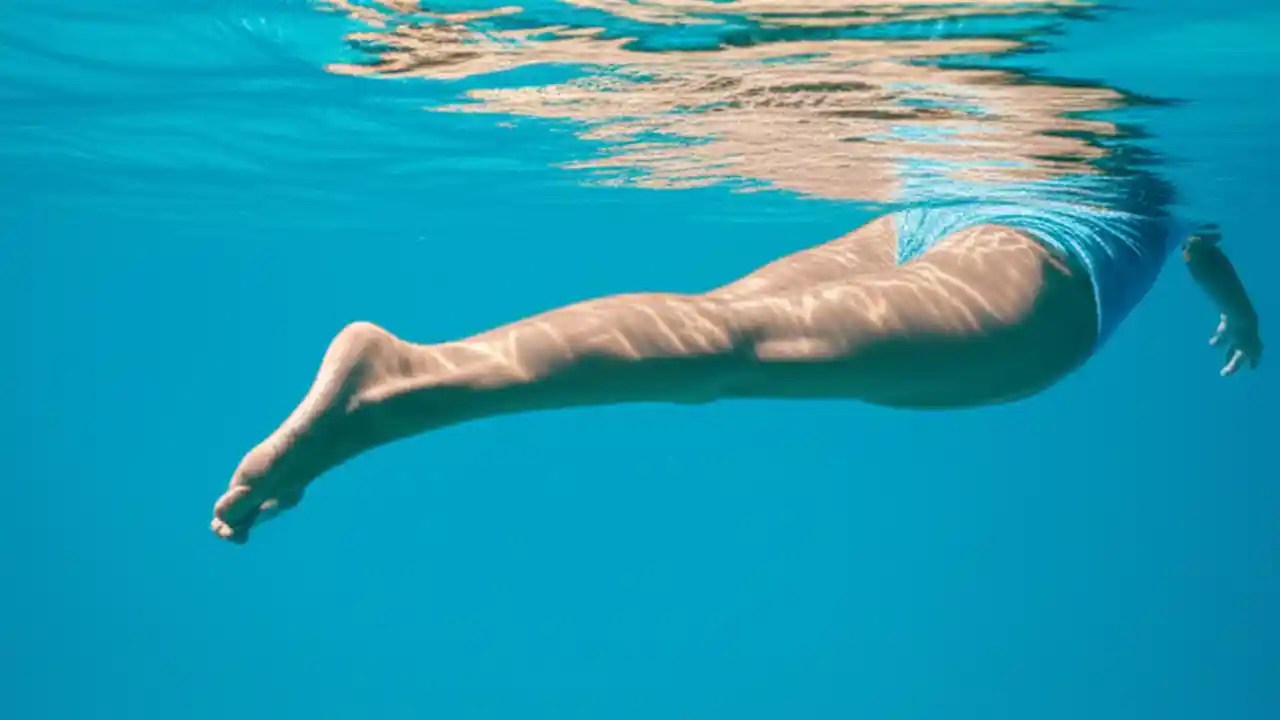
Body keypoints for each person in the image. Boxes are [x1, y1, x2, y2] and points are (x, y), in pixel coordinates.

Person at [211, 192, 1261, 544]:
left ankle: (418, 368)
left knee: (720, 322)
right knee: (731, 350)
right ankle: (406, 382)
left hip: (934, 208)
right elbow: (1193, 234)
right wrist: (1235, 305)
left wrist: (1234, 306)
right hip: (1033, 282)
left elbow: (1198, 241)